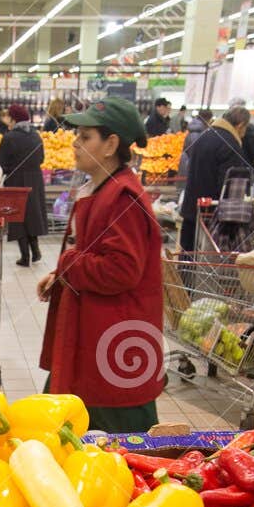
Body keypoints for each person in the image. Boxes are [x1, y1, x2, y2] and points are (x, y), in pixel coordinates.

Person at [37, 97, 165, 434]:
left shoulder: (123, 197)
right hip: (93, 337)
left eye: (85, 136)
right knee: (69, 423)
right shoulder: (103, 189)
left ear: (110, 144)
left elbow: (121, 270)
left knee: (121, 440)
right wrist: (60, 275)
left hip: (112, 347)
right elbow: (94, 252)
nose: (75, 143)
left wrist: (67, 263)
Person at [179, 104, 254, 251]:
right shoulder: (230, 145)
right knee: (207, 267)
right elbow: (228, 189)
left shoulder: (205, 135)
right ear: (240, 125)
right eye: (244, 129)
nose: (244, 134)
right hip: (211, 218)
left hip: (191, 208)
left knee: (187, 261)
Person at [0, 103, 48, 267]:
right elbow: (41, 159)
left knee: (18, 217)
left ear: (13, 119)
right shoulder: (36, 136)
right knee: (33, 215)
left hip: (16, 180)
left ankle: (25, 256)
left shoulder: (9, 137)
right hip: (35, 179)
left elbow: (1, 163)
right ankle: (36, 250)